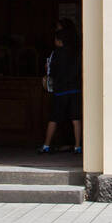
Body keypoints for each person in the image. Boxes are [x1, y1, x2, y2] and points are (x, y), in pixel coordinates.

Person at [39, 20, 82, 155]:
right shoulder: (76, 53)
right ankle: (77, 146)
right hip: (75, 89)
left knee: (54, 118)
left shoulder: (56, 54)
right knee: (76, 118)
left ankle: (46, 145)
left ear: (59, 40)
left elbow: (50, 72)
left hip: (60, 91)